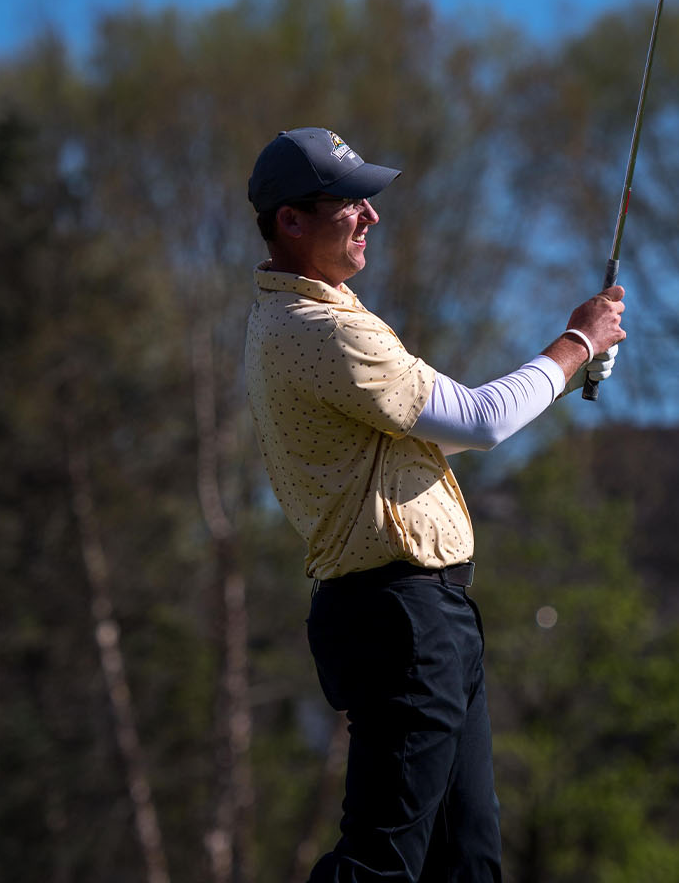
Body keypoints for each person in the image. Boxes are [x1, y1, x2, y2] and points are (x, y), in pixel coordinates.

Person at [243, 127, 626, 881]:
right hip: (401, 618)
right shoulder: (319, 328)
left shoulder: (309, 317)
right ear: (291, 220)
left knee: (469, 861)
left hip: (425, 617)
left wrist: (564, 365)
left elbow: (432, 436)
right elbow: (482, 420)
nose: (370, 217)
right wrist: (576, 342)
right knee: (382, 863)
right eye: (350, 202)